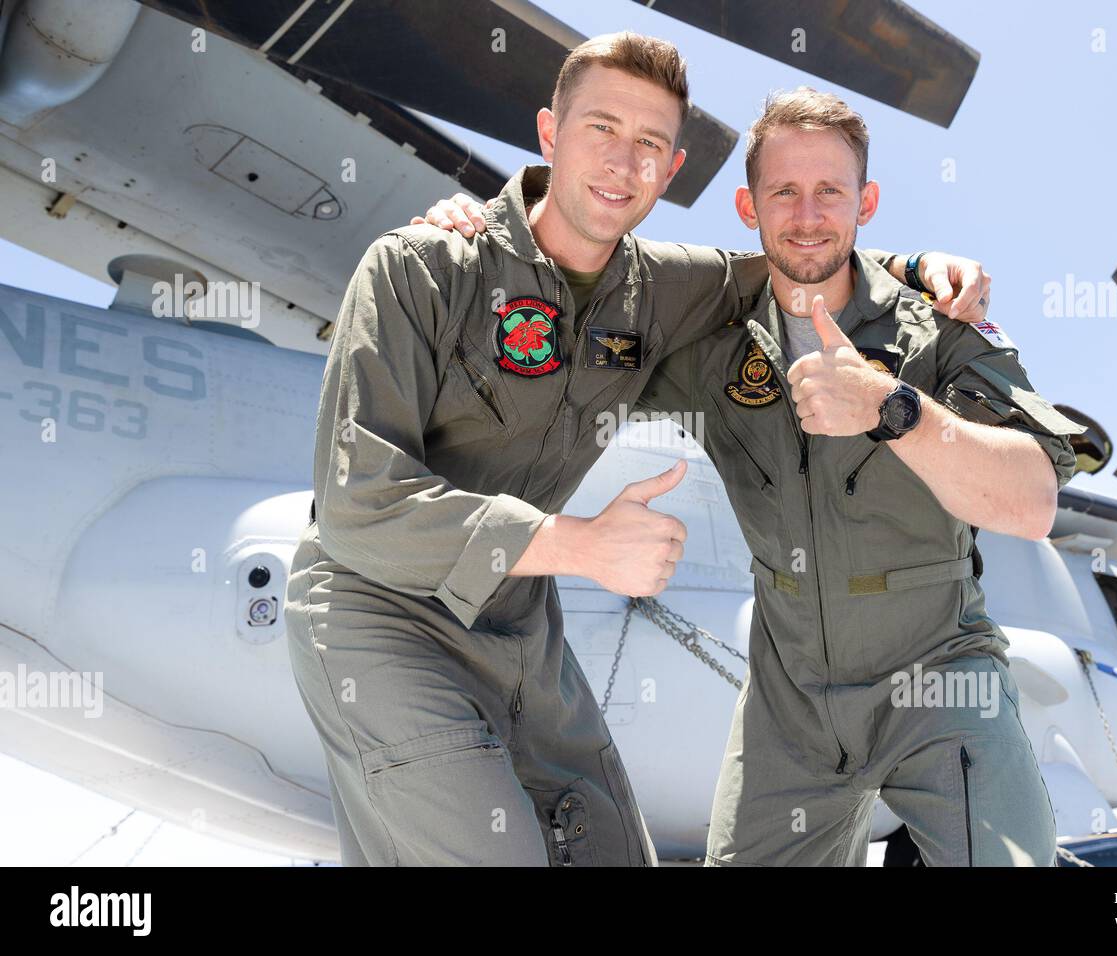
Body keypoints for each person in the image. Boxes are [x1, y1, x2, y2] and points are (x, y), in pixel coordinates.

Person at [288, 32, 989, 866]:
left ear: (673, 167)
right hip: (378, 612)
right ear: (550, 133)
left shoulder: (662, 288)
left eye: (650, 144)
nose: (623, 164)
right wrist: (579, 545)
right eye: (602, 129)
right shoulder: (423, 268)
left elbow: (798, 253)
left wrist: (917, 265)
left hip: (517, 629)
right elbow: (358, 499)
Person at [428, 87, 1082, 866]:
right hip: (790, 704)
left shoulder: (938, 327)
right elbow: (570, 313)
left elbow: (1032, 501)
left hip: (940, 683)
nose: (808, 215)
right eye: (784, 192)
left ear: (866, 201)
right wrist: (470, 244)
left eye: (830, 191)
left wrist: (892, 406)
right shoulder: (711, 341)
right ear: (748, 207)